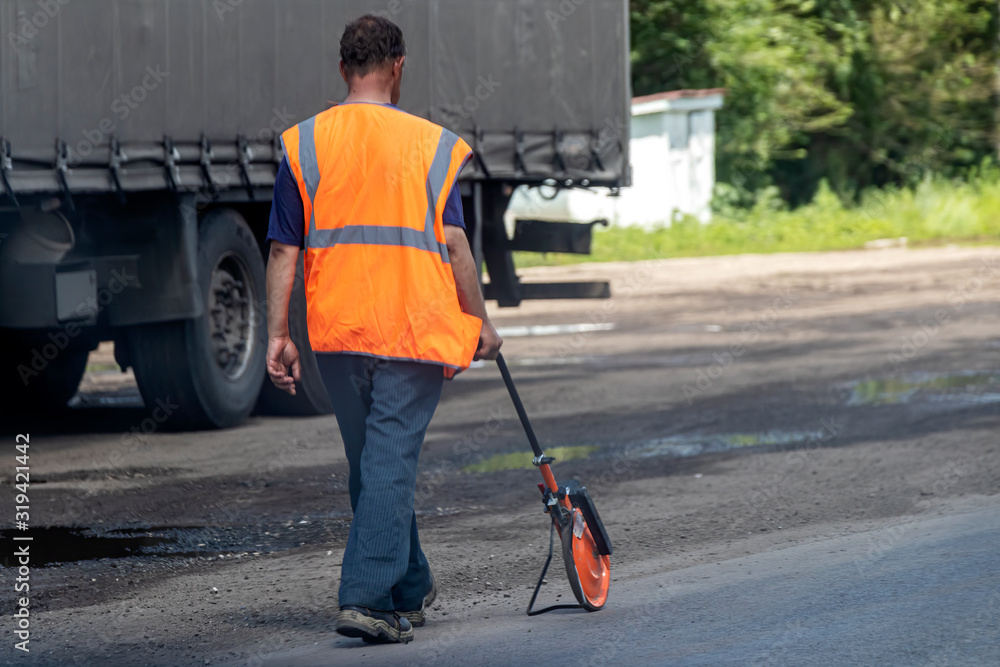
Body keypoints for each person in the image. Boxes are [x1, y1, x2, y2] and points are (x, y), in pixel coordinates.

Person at [264, 14, 503, 645]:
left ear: (342, 69)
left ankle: (409, 584)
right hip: (411, 330)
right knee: (389, 462)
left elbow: (283, 250)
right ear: (399, 68)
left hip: (338, 334)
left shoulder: (305, 143)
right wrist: (480, 324)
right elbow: (453, 243)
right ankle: (367, 599)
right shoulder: (428, 144)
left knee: (373, 463)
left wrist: (276, 337)